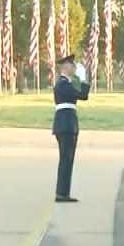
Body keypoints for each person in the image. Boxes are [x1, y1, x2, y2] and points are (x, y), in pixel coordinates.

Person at [51, 54, 89, 203]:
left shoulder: (65, 83)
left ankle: (63, 192)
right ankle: (62, 193)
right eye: (72, 65)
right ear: (66, 67)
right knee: (66, 160)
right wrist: (84, 79)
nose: (74, 68)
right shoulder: (63, 84)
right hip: (66, 125)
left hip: (67, 124)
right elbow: (83, 95)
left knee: (67, 160)